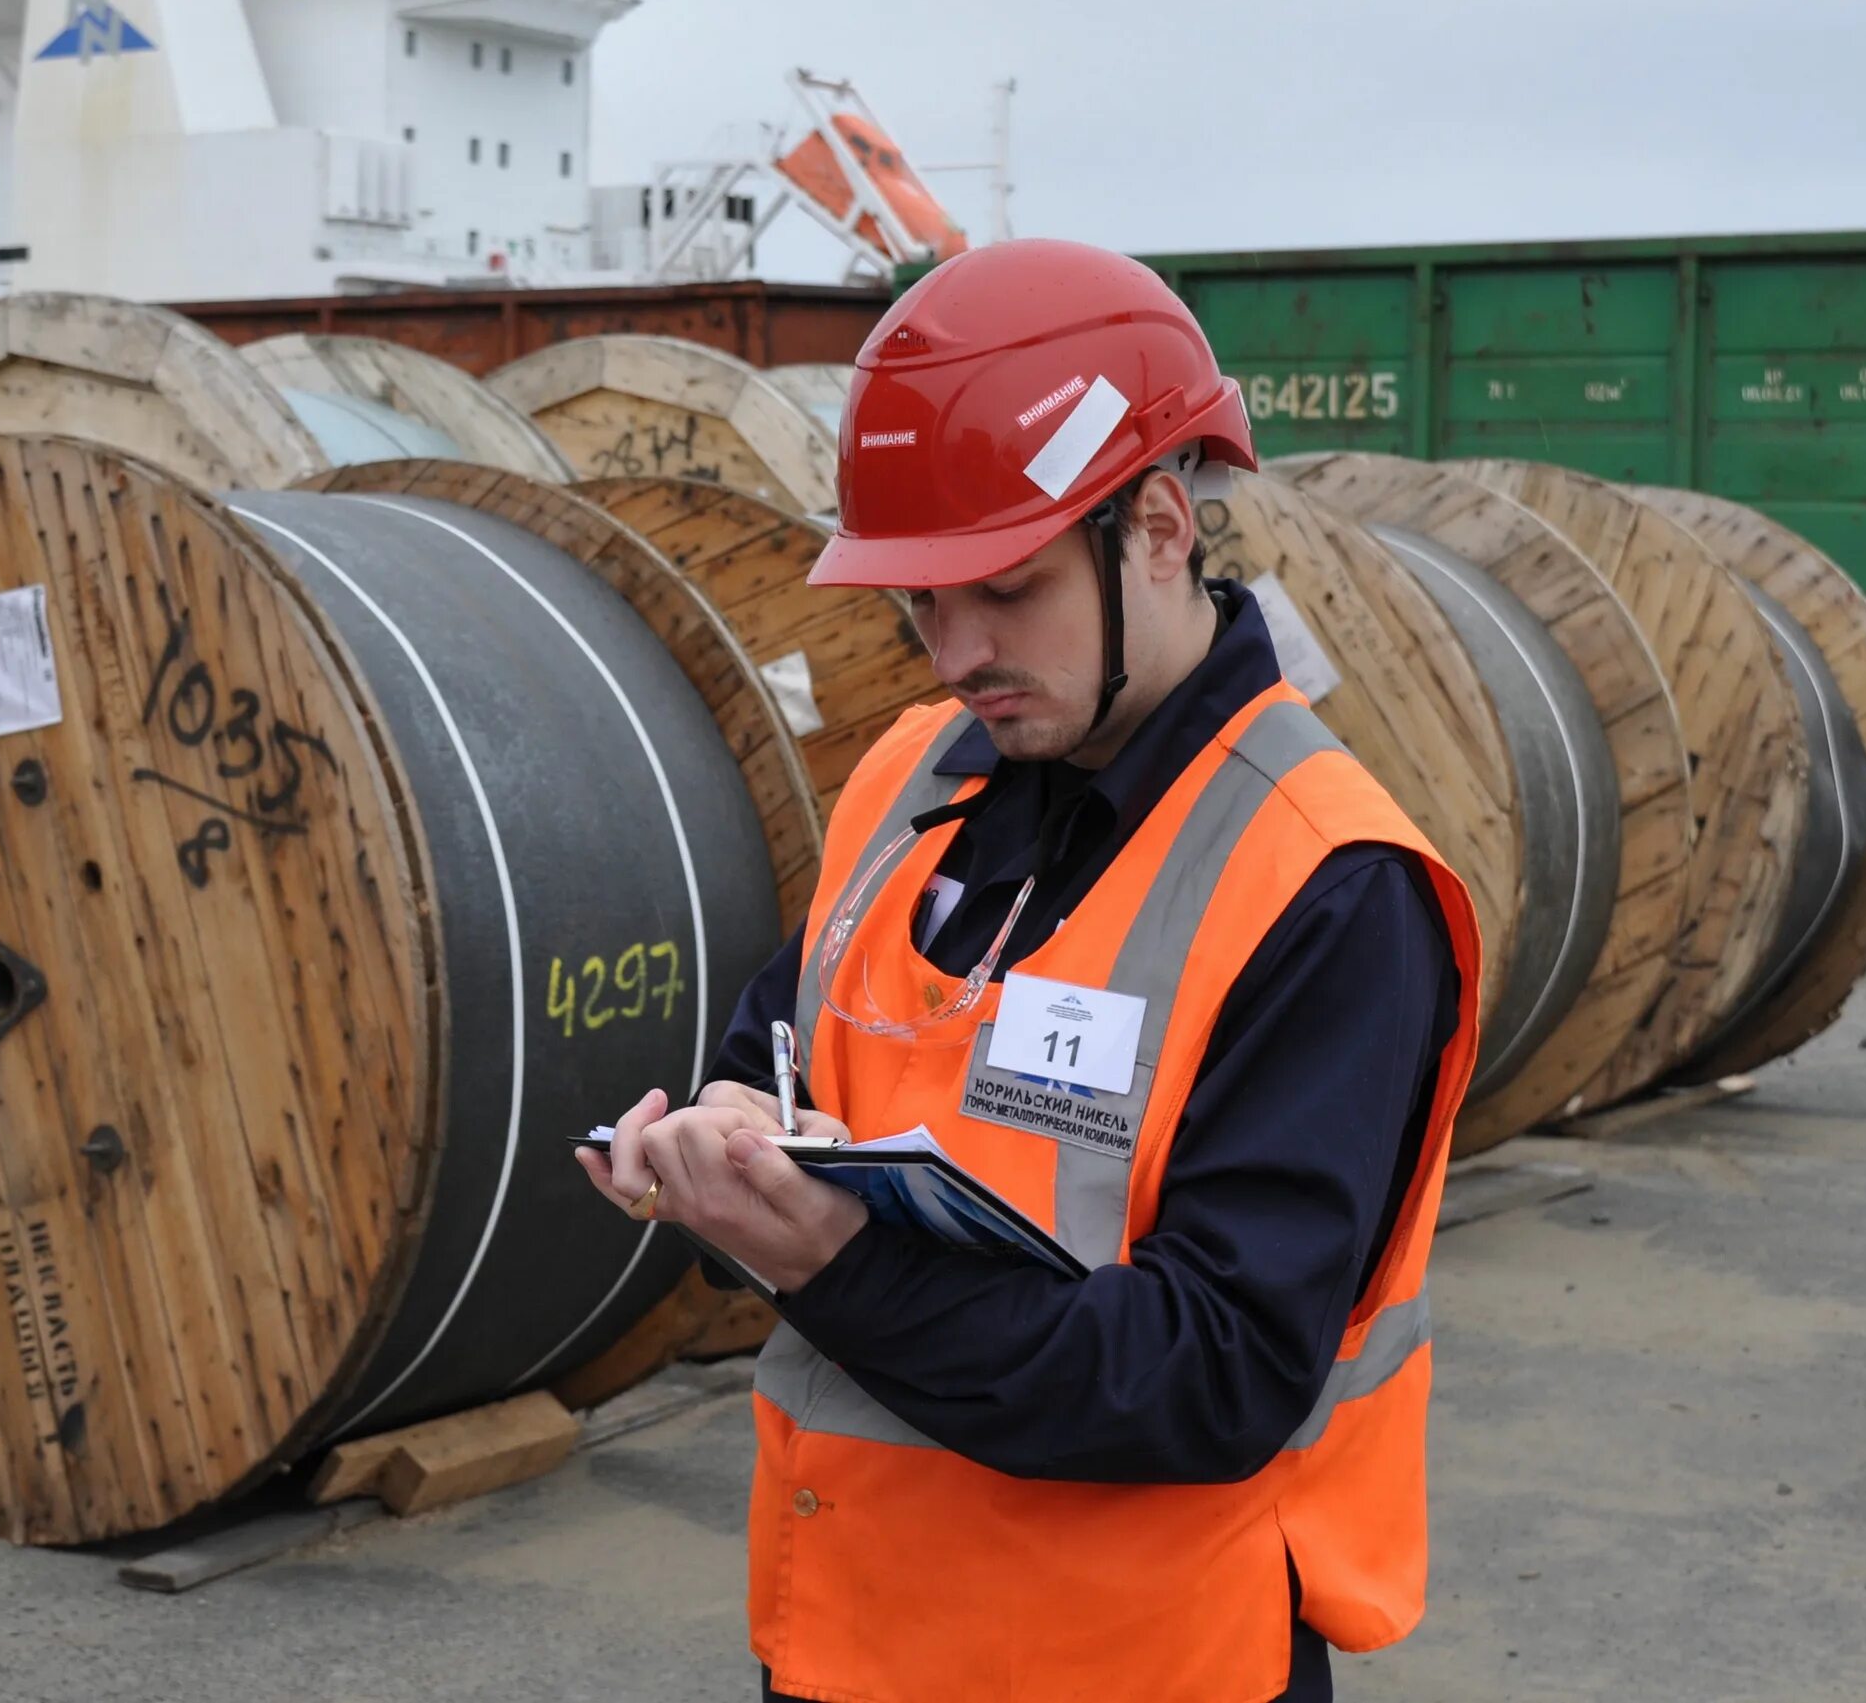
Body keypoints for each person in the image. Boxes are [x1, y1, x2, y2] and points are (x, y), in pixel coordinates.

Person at [575, 239, 1482, 1703]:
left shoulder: (1329, 884)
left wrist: (830, 1258)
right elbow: (783, 1036)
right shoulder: (915, 775)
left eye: (1007, 587)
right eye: (922, 604)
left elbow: (1213, 1367)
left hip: (1131, 1667)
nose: (959, 652)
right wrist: (724, 1133)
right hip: (844, 1641)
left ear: (1164, 529)